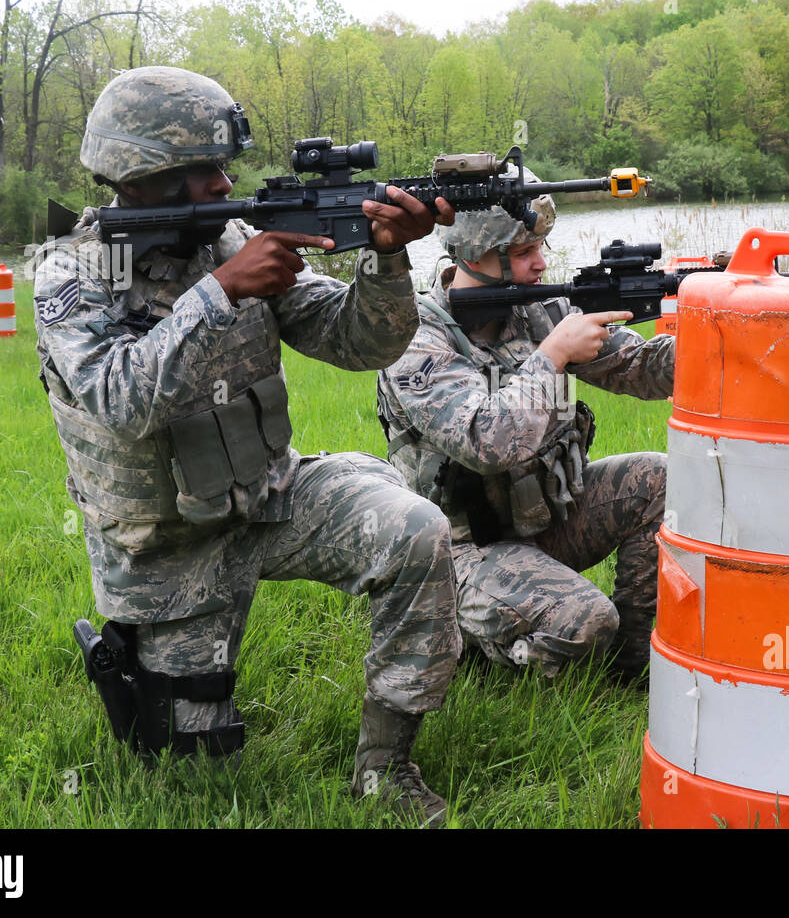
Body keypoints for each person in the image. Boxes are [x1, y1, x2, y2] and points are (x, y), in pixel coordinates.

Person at [34, 65, 460, 824]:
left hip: (271, 499)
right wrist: (221, 291)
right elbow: (119, 400)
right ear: (144, 174)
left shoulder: (232, 237)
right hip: (166, 548)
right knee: (188, 767)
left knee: (417, 530)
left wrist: (387, 257)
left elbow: (360, 342)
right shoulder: (73, 272)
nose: (224, 183)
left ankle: (384, 770)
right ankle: (142, 658)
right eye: (204, 171)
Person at [375, 188, 674, 681]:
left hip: (539, 521)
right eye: (521, 253)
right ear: (473, 253)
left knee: (657, 480)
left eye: (542, 248)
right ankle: (476, 652)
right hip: (458, 552)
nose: (539, 264)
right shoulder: (414, 336)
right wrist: (552, 356)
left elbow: (641, 369)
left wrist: (724, 317)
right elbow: (486, 443)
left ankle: (634, 666)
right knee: (585, 620)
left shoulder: (539, 310)